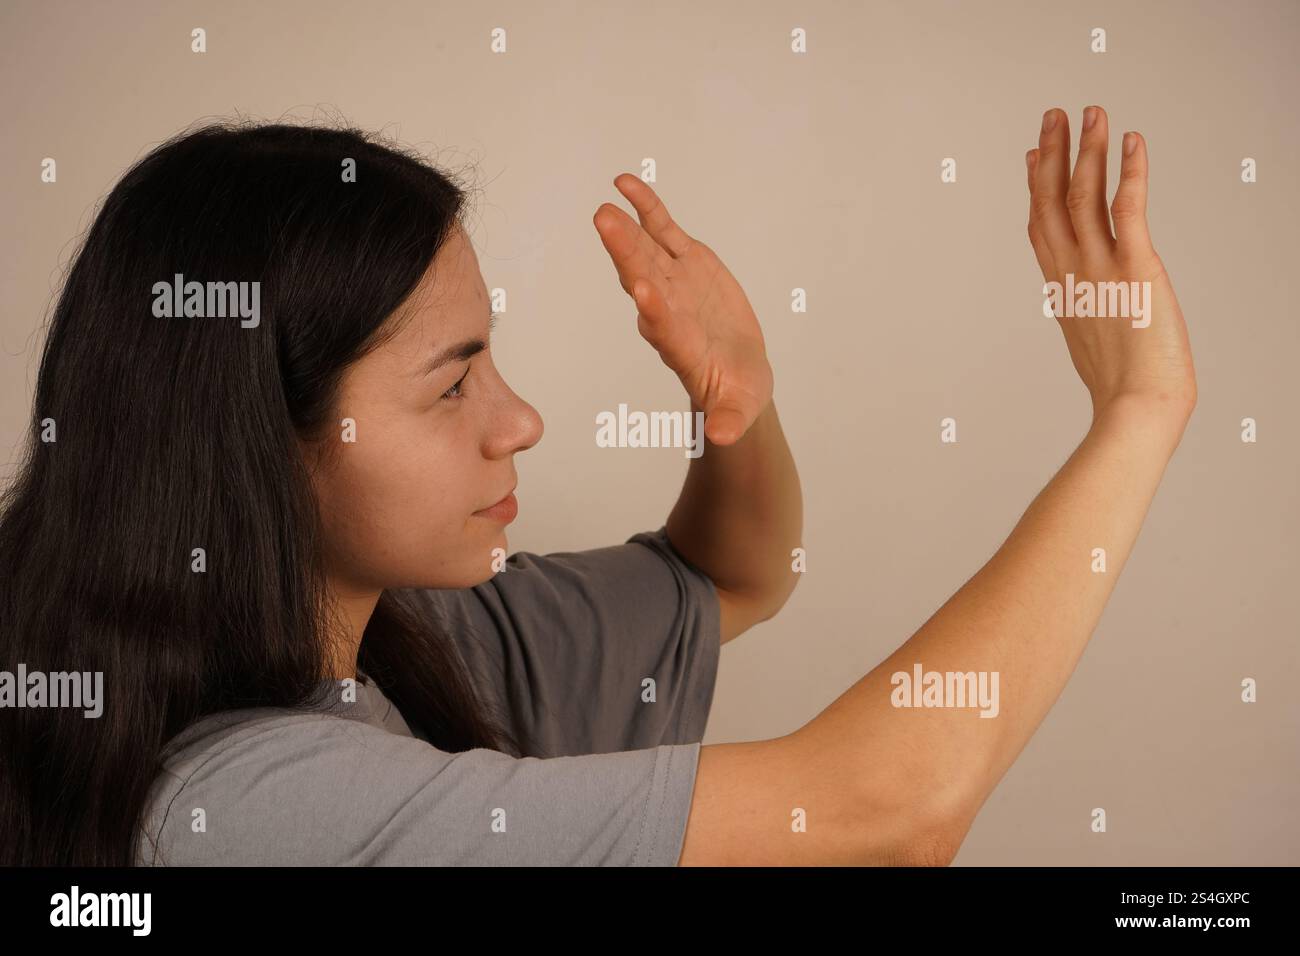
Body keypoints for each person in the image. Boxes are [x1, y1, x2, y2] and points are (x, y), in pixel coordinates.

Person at [0, 104, 1195, 866]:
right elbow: (888, 813)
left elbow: (728, 576)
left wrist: (738, 400)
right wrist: (1137, 412)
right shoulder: (246, 809)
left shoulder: (426, 640)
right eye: (452, 384)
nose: (518, 420)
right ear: (259, 444)